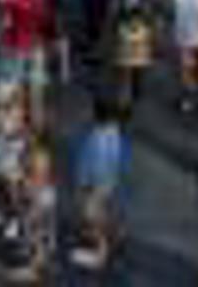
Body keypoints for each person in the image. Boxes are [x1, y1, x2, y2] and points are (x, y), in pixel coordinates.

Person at [71, 98, 126, 270]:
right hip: (107, 181)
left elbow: (93, 165)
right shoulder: (114, 132)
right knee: (101, 211)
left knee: (92, 216)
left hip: (95, 184)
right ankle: (114, 234)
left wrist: (87, 186)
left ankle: (100, 253)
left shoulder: (96, 138)